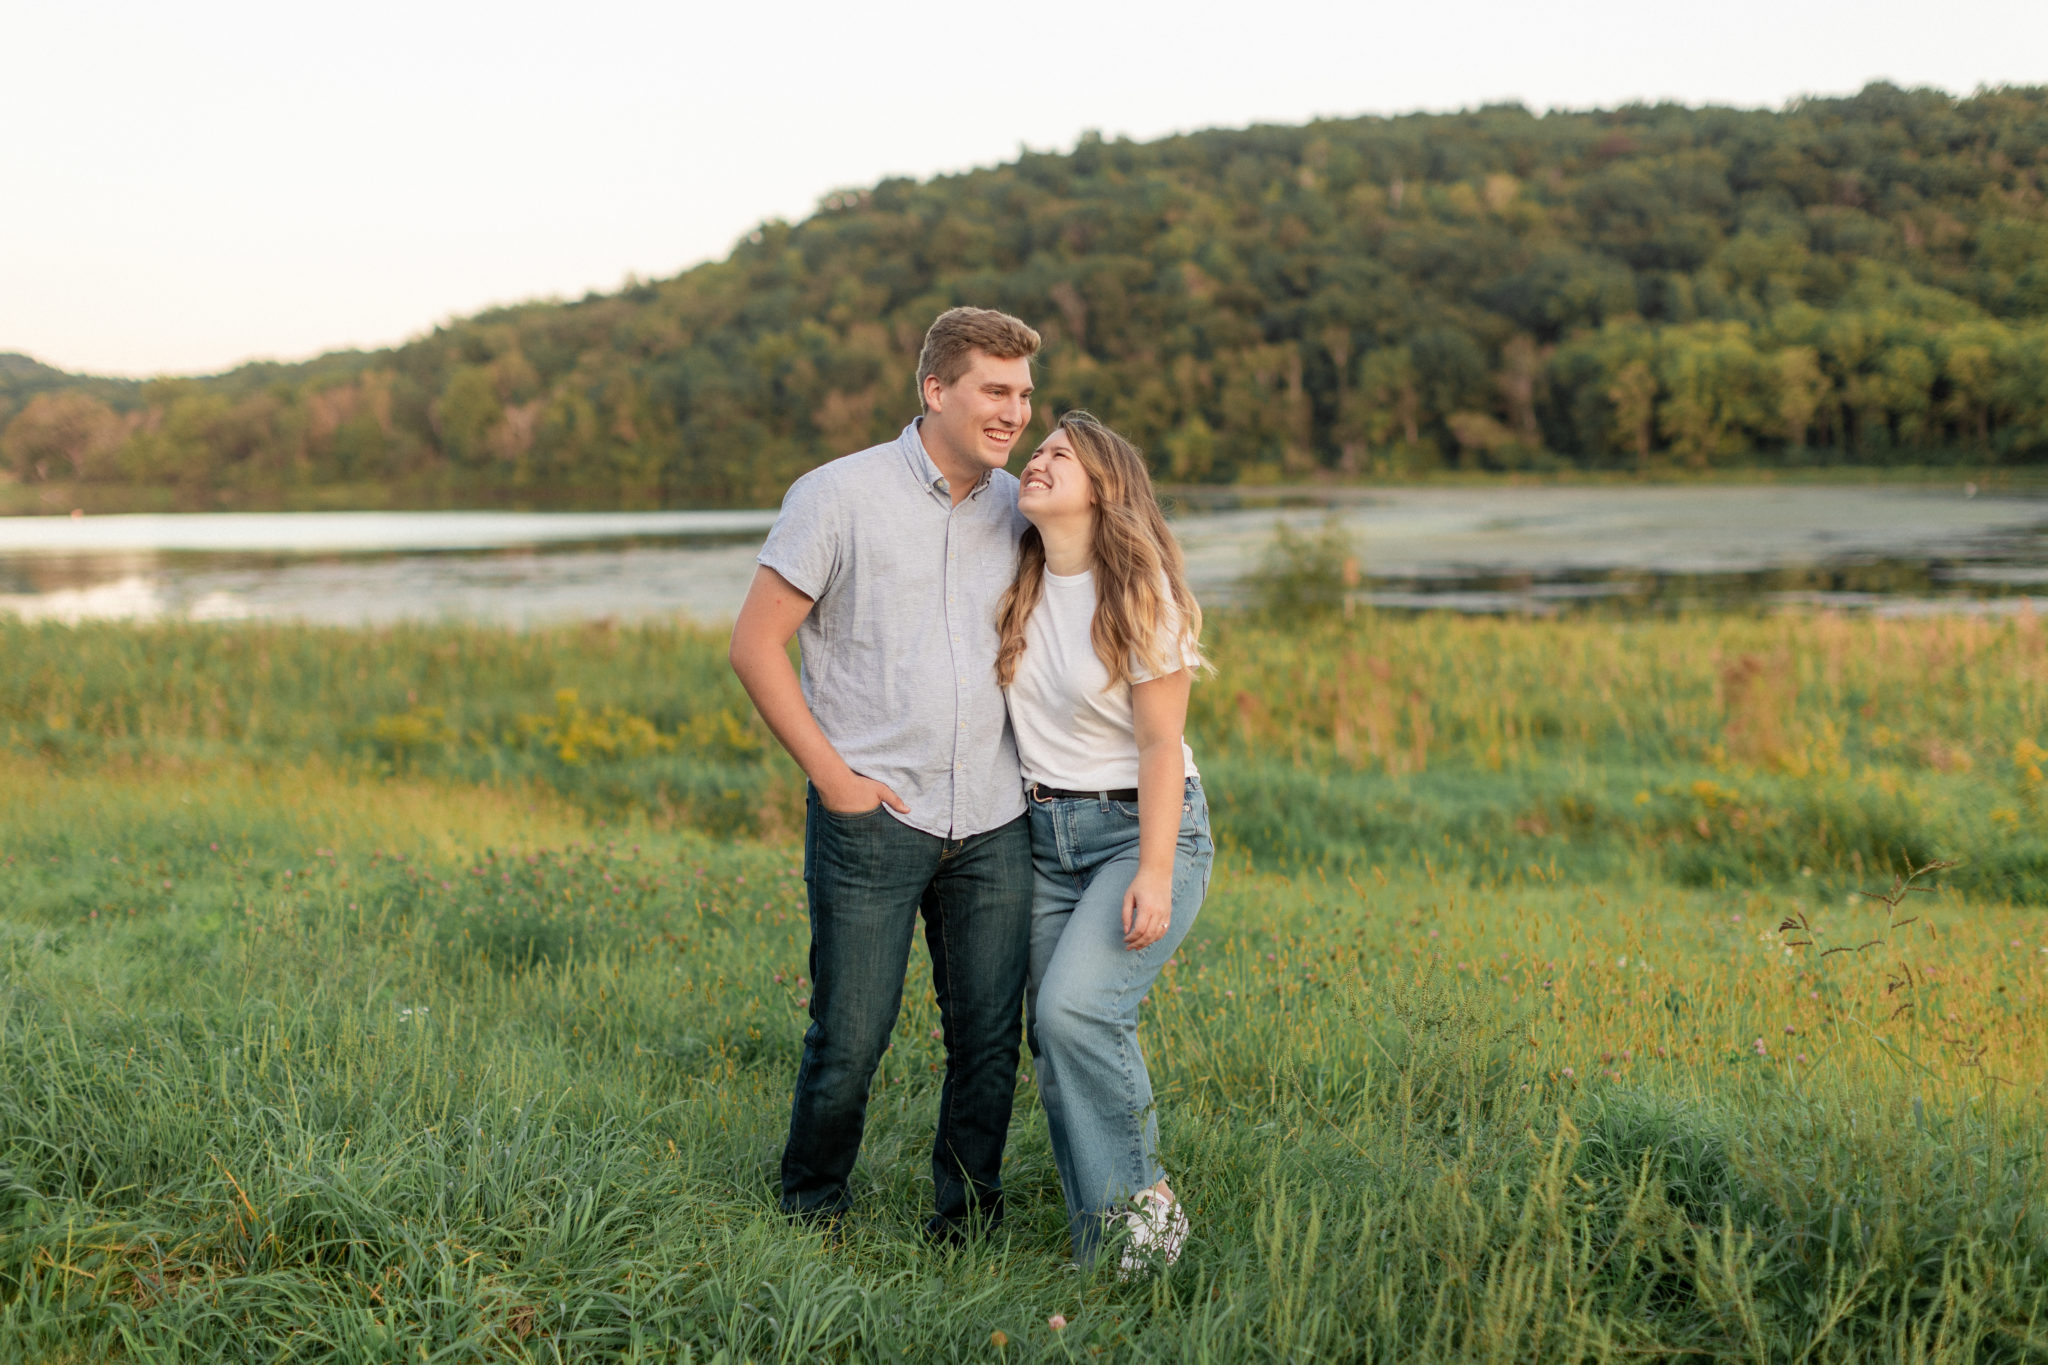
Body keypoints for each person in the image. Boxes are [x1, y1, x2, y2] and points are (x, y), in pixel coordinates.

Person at [728, 306, 1042, 1242]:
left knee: (987, 1044)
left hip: (994, 817)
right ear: (935, 389)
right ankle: (811, 1212)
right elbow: (755, 645)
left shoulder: (1022, 502)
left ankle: (968, 1223)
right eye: (995, 390)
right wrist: (833, 778)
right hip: (873, 817)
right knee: (850, 1038)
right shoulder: (837, 494)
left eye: (1024, 393)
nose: (1015, 412)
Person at [995, 410, 1214, 1272]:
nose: (1037, 460)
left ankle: (1150, 1211)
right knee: (1054, 1042)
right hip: (1045, 835)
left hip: (1141, 827)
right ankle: (1106, 1249)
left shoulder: (1140, 591)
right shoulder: (1017, 579)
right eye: (1037, 450)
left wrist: (1155, 870)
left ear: (1103, 488)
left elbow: (1163, 745)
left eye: (1060, 455)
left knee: (1076, 1009)